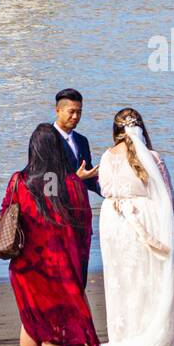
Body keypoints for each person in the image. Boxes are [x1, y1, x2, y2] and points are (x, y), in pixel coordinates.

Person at [1, 124, 103, 346]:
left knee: (31, 322)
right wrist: (78, 266)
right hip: (59, 266)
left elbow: (4, 217)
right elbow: (84, 227)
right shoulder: (71, 184)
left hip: (26, 266)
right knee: (54, 325)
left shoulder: (18, 181)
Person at [82, 108, 174, 346]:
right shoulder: (152, 157)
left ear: (114, 131)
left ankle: (124, 336)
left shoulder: (106, 156)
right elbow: (167, 196)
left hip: (114, 222)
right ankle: (148, 334)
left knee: (120, 279)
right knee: (148, 276)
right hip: (142, 218)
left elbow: (104, 189)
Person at [53, 89, 101, 287]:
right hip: (57, 218)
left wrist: (110, 190)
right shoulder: (45, 138)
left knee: (80, 275)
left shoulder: (82, 140)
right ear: (58, 110)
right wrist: (74, 179)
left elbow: (87, 176)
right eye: (71, 111)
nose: (76, 117)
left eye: (79, 112)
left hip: (81, 216)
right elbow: (45, 183)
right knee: (60, 278)